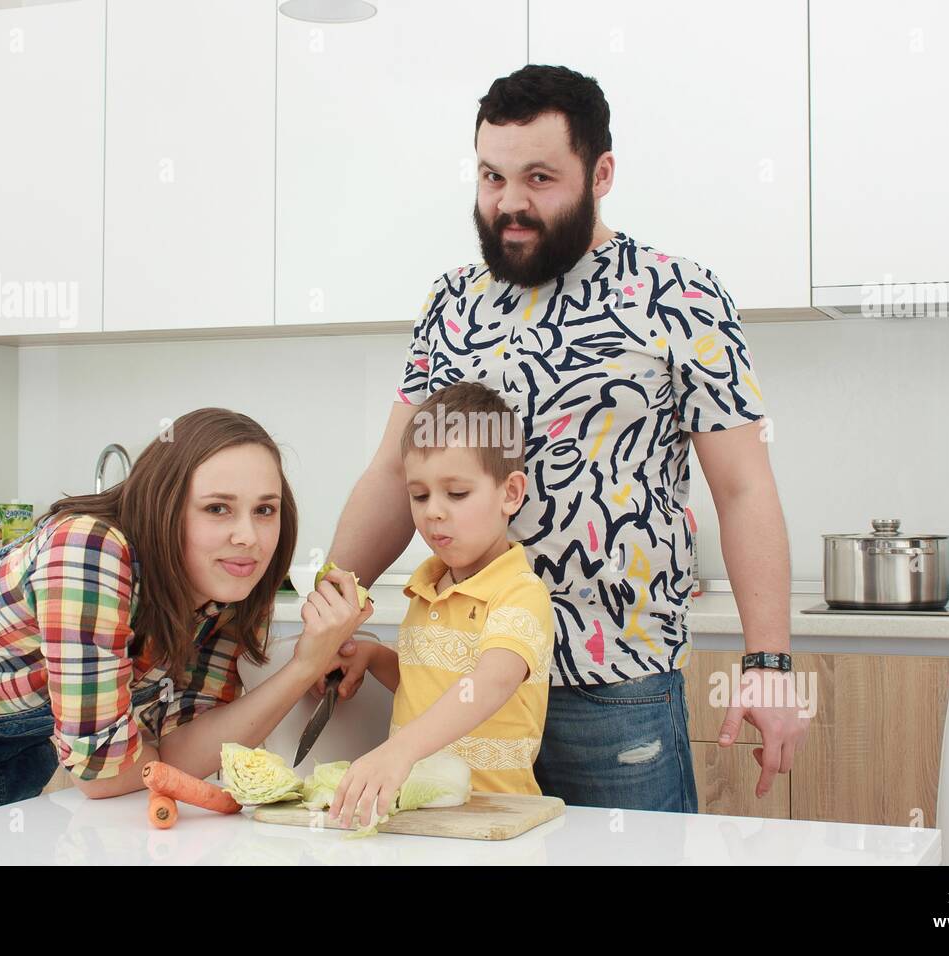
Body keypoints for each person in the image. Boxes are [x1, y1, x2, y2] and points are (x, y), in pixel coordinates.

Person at [316, 64, 808, 813]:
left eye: (539, 177)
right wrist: (330, 613)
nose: (509, 203)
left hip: (613, 690)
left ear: (601, 172)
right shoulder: (450, 304)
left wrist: (769, 662)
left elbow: (742, 487)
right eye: (491, 177)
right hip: (460, 691)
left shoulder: (680, 294)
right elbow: (392, 473)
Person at [0, 407, 370, 852]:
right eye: (218, 508)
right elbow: (105, 777)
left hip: (7, 754)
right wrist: (300, 666)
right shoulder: (89, 550)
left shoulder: (220, 592)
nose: (248, 536)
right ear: (164, 506)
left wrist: (306, 665)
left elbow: (181, 754)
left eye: (265, 510)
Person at [319, 383, 554, 827]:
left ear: (510, 493)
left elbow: (490, 682)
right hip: (422, 814)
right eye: (420, 495)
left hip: (495, 819)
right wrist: (374, 658)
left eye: (457, 494)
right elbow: (427, 685)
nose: (433, 513)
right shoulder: (426, 589)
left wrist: (399, 751)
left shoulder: (520, 592)